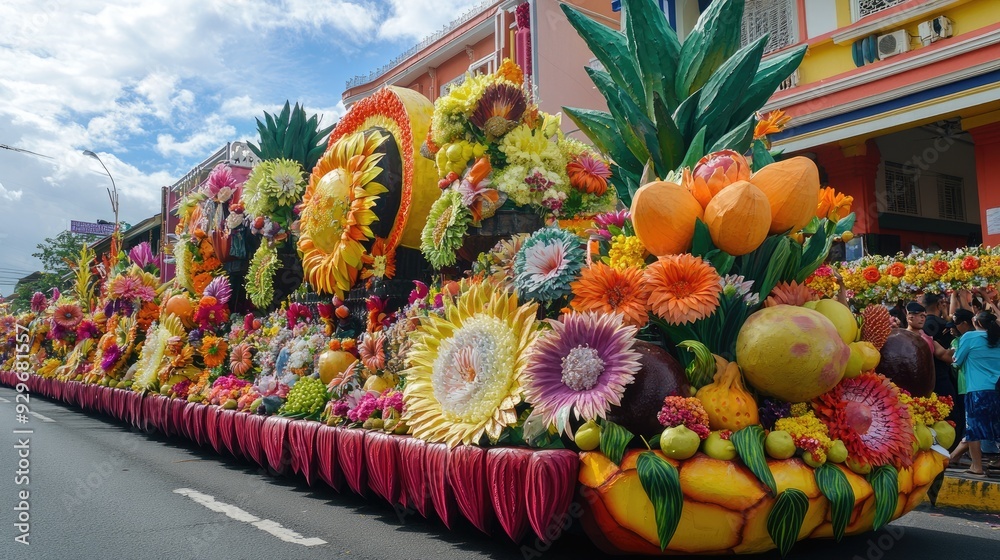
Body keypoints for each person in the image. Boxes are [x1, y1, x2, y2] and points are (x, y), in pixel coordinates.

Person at [951, 311, 1000, 477]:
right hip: (997, 389)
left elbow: (957, 361)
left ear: (976, 322)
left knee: (974, 428)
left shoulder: (970, 337)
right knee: (996, 426)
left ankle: (976, 466)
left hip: (977, 389)